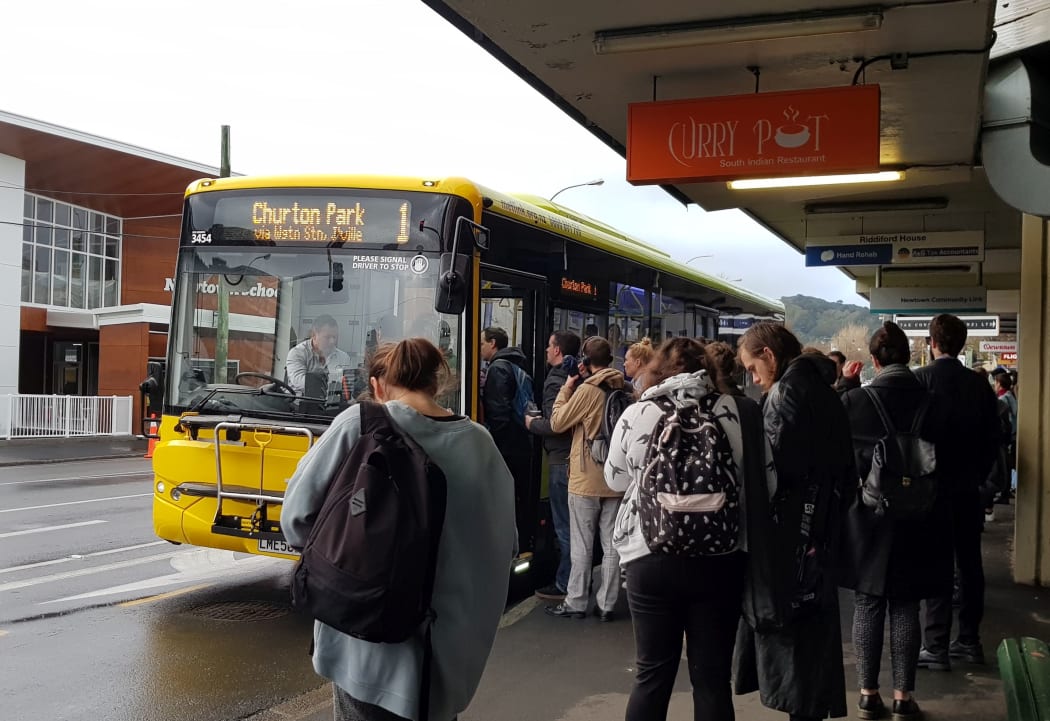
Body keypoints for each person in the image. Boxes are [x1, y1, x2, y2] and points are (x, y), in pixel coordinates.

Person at [282, 338, 516, 721]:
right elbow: (504, 543)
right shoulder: (481, 443)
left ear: (377, 384)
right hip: (445, 666)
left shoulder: (360, 423)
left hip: (365, 650)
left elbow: (295, 519)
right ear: (436, 383)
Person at [605, 337, 775, 721]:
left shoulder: (639, 411)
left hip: (649, 554)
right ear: (710, 369)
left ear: (658, 367)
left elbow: (614, 480)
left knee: (651, 673)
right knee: (712, 678)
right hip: (721, 556)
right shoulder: (738, 411)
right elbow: (769, 483)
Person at [734, 322, 855, 721]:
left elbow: (773, 472)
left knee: (789, 638)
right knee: (814, 636)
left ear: (769, 354)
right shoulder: (825, 391)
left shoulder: (786, 393)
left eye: (753, 368)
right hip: (823, 529)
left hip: (791, 536)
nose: (754, 378)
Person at [839, 322, 952, 721]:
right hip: (921, 516)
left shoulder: (855, 403)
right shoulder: (934, 403)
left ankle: (869, 694)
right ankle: (904, 696)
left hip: (871, 515)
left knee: (868, 602)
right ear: (908, 357)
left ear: (873, 360)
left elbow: (840, 461)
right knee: (906, 604)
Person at [915, 314, 1001, 670]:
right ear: (963, 344)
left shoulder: (920, 381)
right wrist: (980, 481)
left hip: (931, 490)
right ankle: (969, 639)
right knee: (970, 565)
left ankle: (935, 645)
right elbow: (992, 439)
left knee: (936, 563)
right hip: (968, 488)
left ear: (931, 343)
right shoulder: (979, 386)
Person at [545, 335, 627, 621]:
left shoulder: (588, 390)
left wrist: (567, 387)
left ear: (585, 360)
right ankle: (606, 605)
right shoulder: (625, 388)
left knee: (581, 544)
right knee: (611, 546)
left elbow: (557, 422)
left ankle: (576, 602)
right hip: (616, 477)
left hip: (585, 477)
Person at [525, 330, 582, 601]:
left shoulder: (556, 382)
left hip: (561, 460)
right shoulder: (580, 378)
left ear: (558, 350)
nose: (546, 350)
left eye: (549, 345)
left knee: (564, 527)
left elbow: (556, 424)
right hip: (578, 459)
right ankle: (577, 581)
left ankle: (565, 584)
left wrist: (531, 423)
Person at [480, 326, 535, 542]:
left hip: (508, 446)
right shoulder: (516, 363)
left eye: (482, 343)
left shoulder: (498, 368)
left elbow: (499, 412)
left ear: (493, 343)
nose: (480, 348)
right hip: (521, 440)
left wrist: (491, 443)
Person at [286, 315, 353, 395]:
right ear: (314, 335)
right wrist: (333, 384)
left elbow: (349, 386)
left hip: (332, 403)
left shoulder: (343, 358)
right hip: (299, 403)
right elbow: (301, 382)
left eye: (334, 337)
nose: (332, 341)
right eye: (327, 337)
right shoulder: (297, 353)